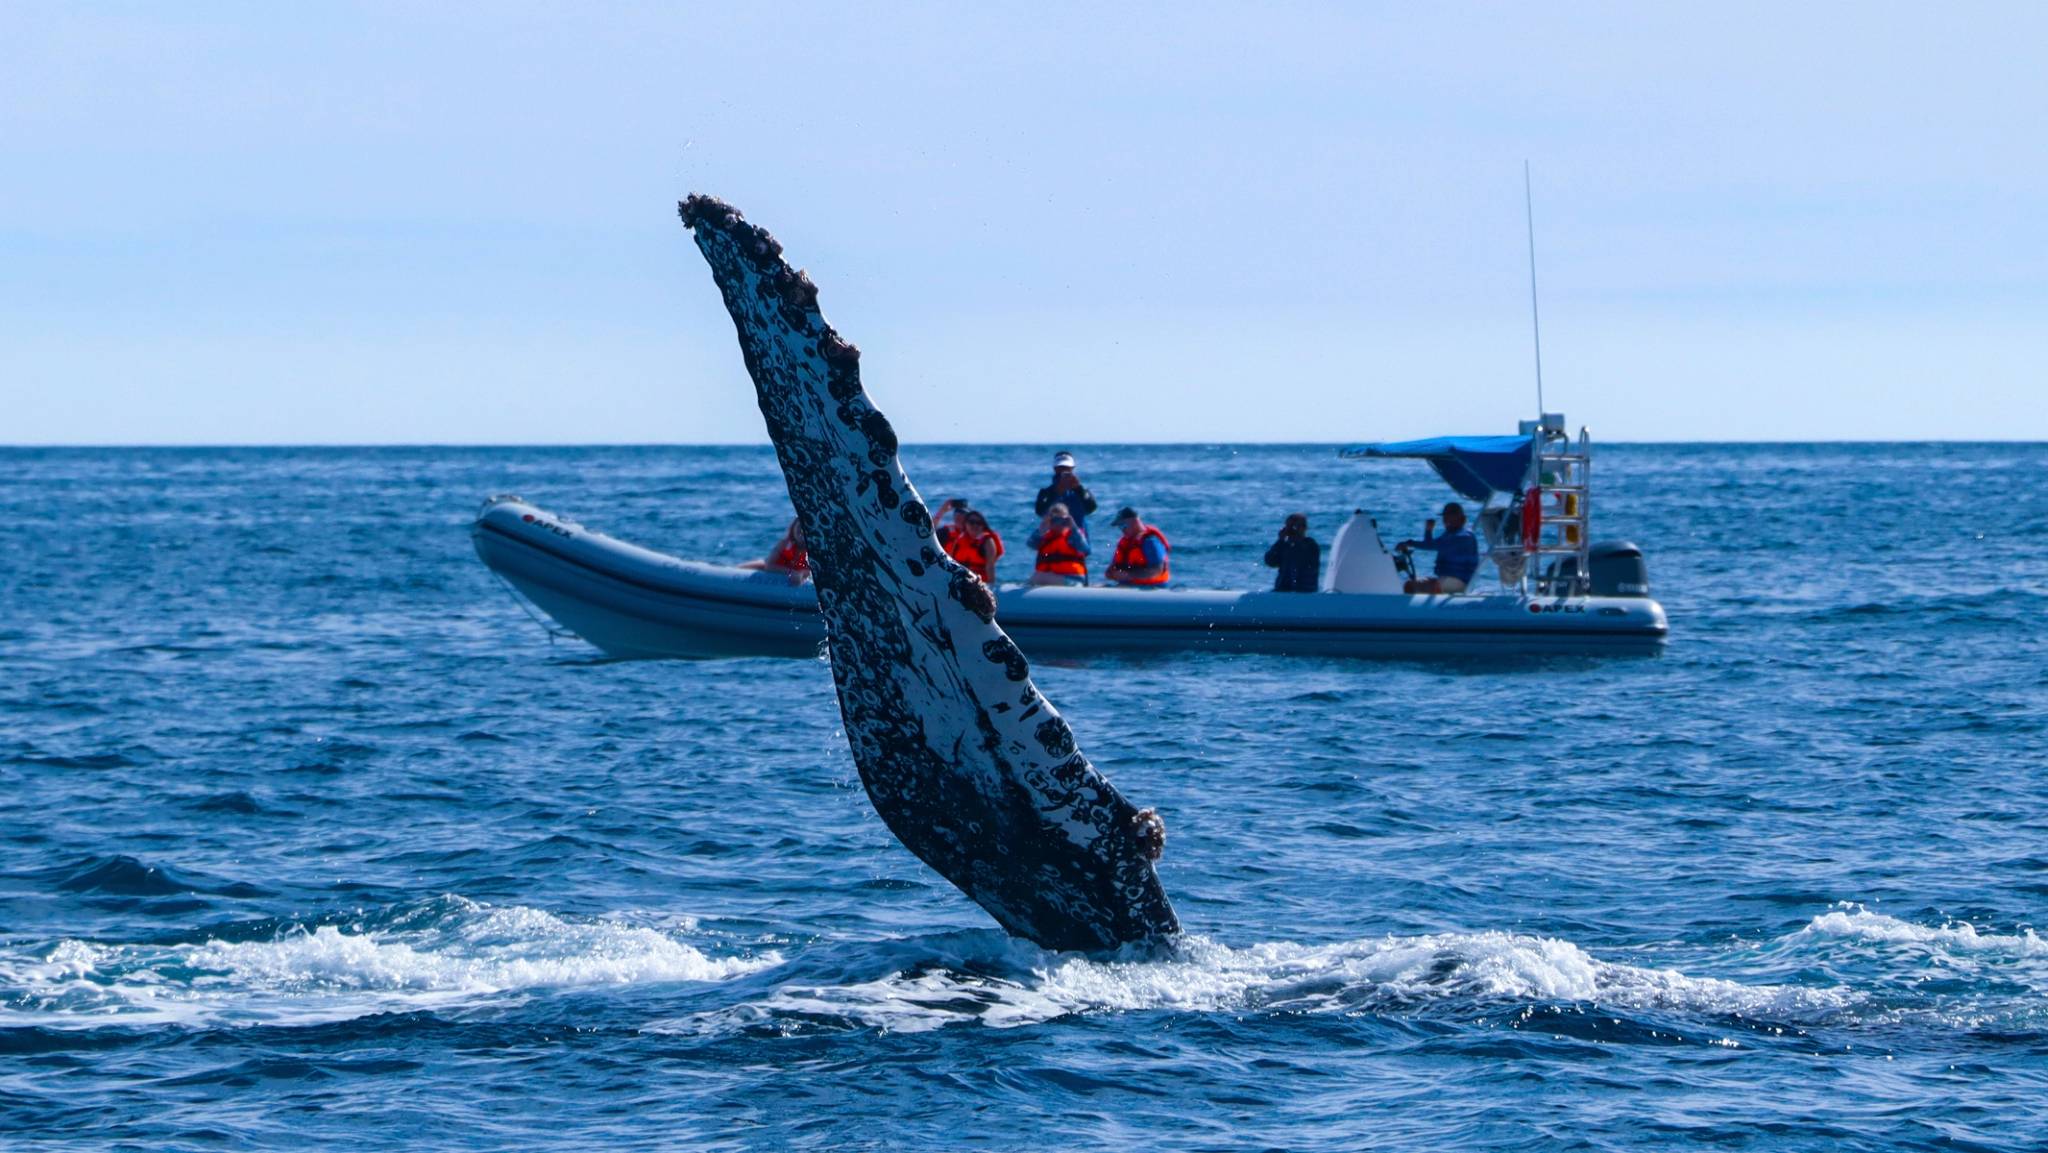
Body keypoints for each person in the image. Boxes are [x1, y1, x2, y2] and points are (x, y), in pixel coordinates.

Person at [1397, 501, 1479, 594]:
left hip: (1460, 581)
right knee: (1410, 585)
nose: (1445, 520)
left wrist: (1410, 543)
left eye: (1449, 516)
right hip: (1445, 579)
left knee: (1429, 586)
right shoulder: (1448, 534)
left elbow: (1433, 545)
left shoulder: (1464, 536)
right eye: (1444, 517)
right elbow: (1430, 544)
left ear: (1459, 518)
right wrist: (1428, 530)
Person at [1102, 507, 1170, 587]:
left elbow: (1157, 570)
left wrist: (1130, 575)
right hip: (1128, 588)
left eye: (1123, 526)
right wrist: (1111, 573)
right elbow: (1113, 568)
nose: (1122, 530)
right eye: (1119, 527)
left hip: (1151, 589)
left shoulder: (1150, 542)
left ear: (1134, 522)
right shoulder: (1125, 543)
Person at [1034, 451, 1099, 532]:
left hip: (1078, 540)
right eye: (1060, 468)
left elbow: (1091, 509)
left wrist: (1079, 489)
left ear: (1072, 468)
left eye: (1067, 468)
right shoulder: (1046, 492)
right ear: (1055, 469)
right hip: (1055, 539)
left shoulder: (1081, 491)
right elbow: (1040, 513)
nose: (1063, 471)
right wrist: (1056, 493)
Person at [1028, 502, 1090, 586]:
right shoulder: (1045, 537)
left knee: (1037, 577)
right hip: (1053, 579)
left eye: (1062, 521)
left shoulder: (1072, 536)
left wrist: (1074, 527)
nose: (1058, 524)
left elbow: (1085, 549)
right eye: (1055, 520)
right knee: (1036, 577)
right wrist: (1042, 528)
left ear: (1068, 520)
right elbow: (1031, 544)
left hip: (1072, 580)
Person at [739, 516, 812, 585]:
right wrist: (791, 572)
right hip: (776, 569)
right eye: (799, 528)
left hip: (796, 573)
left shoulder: (814, 552)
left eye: (805, 529)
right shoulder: (784, 544)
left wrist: (802, 574)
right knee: (759, 565)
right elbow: (769, 566)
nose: (802, 531)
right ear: (793, 529)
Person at [1264, 513, 1321, 592]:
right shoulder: (1284, 545)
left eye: (1295, 526)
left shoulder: (1310, 545)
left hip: (1305, 590)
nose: (1292, 530)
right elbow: (1270, 561)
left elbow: (1302, 556)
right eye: (1289, 527)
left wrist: (1295, 540)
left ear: (1304, 528)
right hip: (1283, 589)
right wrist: (1280, 541)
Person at [946, 509, 1004, 585]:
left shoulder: (987, 541)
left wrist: (991, 586)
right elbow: (951, 563)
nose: (975, 525)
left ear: (983, 526)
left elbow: (990, 566)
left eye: (979, 523)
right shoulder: (959, 540)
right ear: (965, 524)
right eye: (971, 522)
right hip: (959, 582)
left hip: (980, 584)